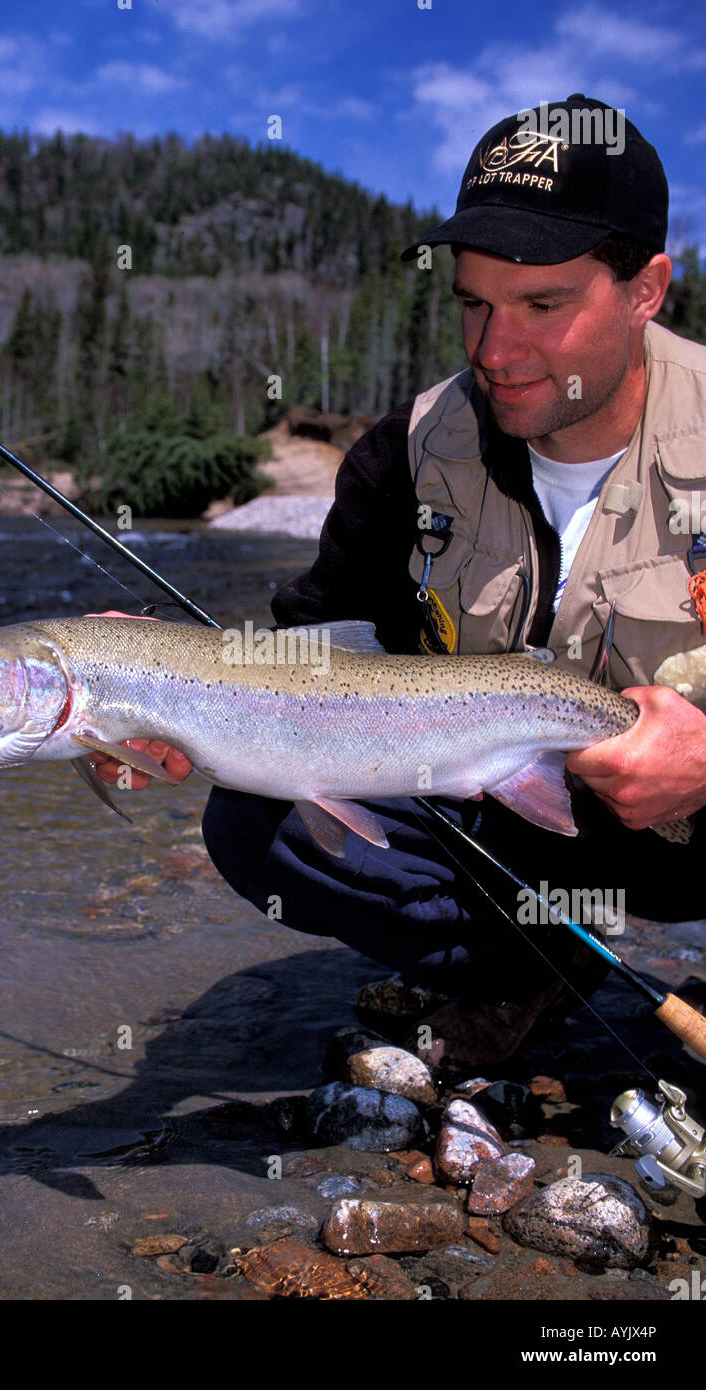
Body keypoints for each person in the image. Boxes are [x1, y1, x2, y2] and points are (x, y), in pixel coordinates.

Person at [89, 95, 706, 1065]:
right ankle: (534, 966)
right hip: (511, 834)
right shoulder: (406, 455)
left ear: (644, 289)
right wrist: (155, 693)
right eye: (472, 302)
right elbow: (308, 652)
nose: (491, 351)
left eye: (541, 305)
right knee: (257, 819)